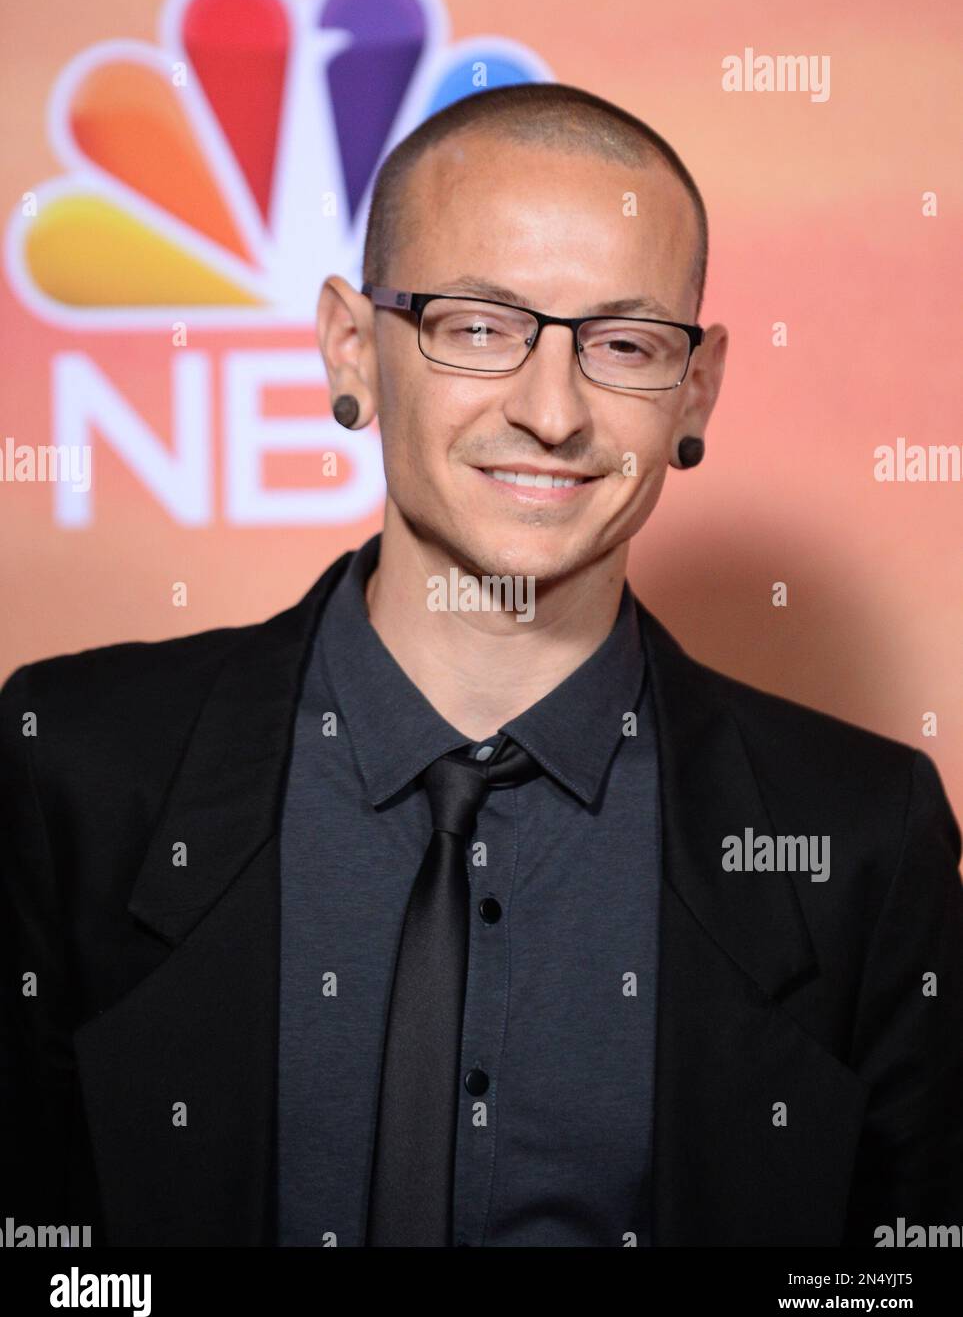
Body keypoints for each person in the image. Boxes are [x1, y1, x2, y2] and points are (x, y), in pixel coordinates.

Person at [1, 83, 961, 1249]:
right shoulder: (75, 770)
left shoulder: (862, 837)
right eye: (478, 324)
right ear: (352, 347)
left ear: (695, 386)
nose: (552, 411)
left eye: (622, 342)